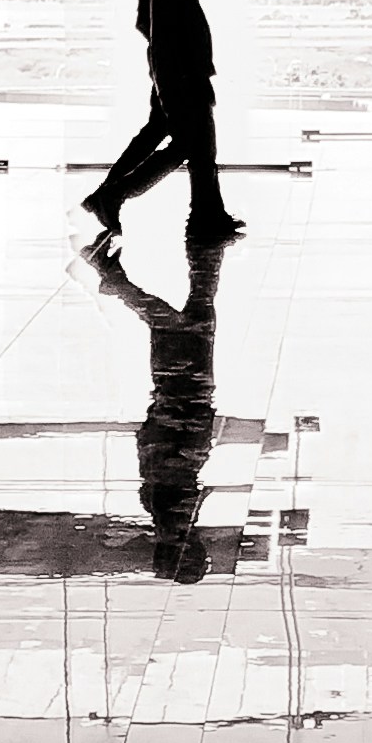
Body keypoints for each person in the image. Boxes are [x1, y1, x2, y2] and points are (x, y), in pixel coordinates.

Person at [83, 0, 242, 240]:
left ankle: (206, 217)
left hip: (182, 77)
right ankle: (113, 195)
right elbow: (163, 34)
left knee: (198, 150)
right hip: (183, 80)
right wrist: (180, 78)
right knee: (190, 149)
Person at [86, 228, 232, 581]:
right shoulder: (165, 516)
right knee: (181, 313)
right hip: (179, 395)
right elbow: (155, 461)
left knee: (178, 316)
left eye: (199, 559)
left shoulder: (174, 521)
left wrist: (194, 443)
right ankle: (202, 247)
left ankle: (111, 275)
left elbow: (172, 463)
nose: (205, 552)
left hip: (184, 394)